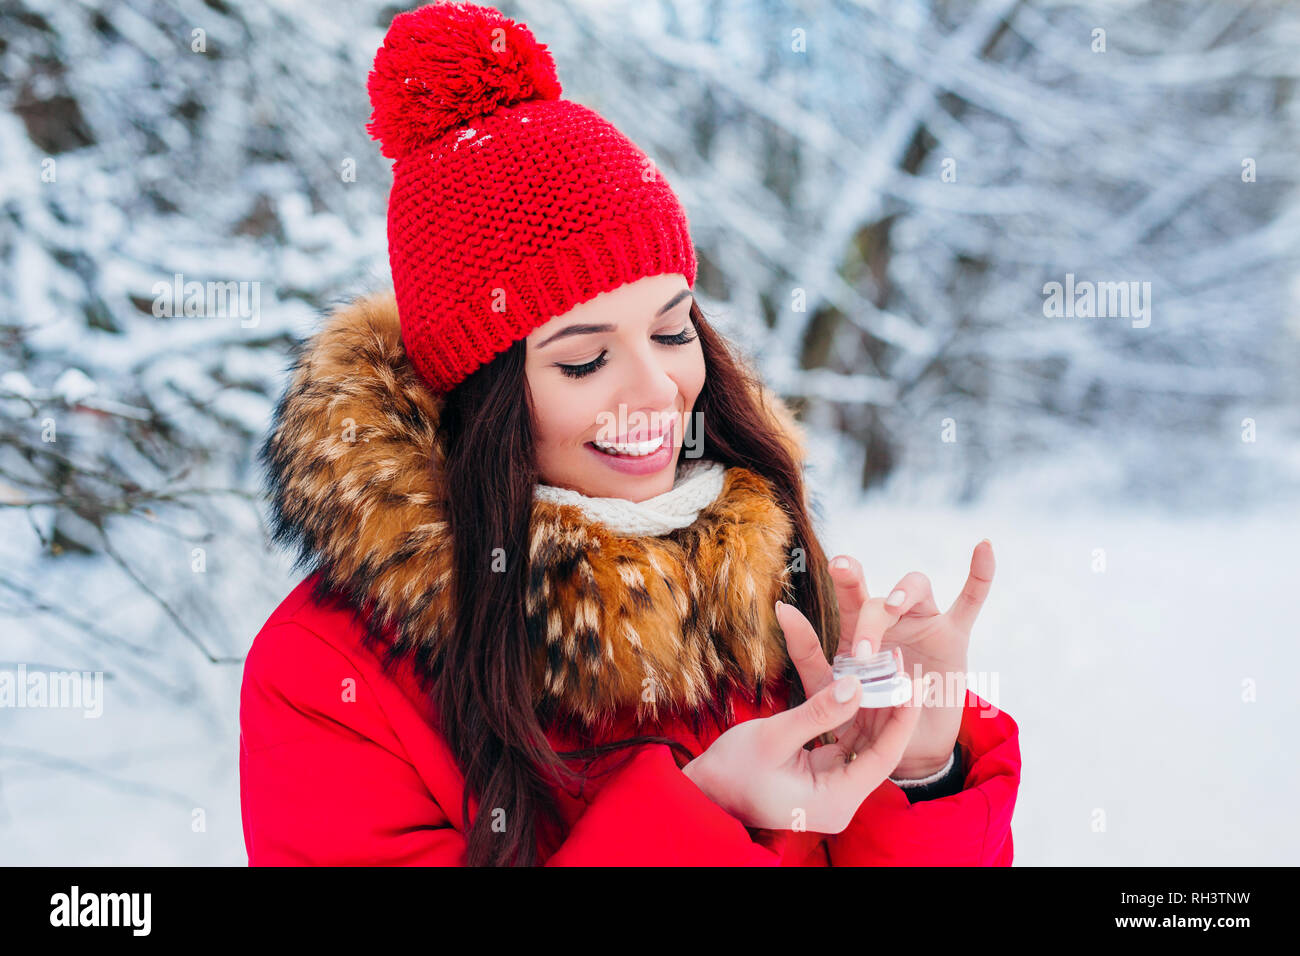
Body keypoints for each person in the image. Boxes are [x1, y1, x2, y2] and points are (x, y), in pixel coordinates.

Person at [239, 1, 1021, 866]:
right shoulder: (326, 676)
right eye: (584, 362)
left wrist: (914, 770)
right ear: (480, 400)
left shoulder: (768, 595)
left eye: (671, 330)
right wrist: (701, 811)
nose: (657, 390)